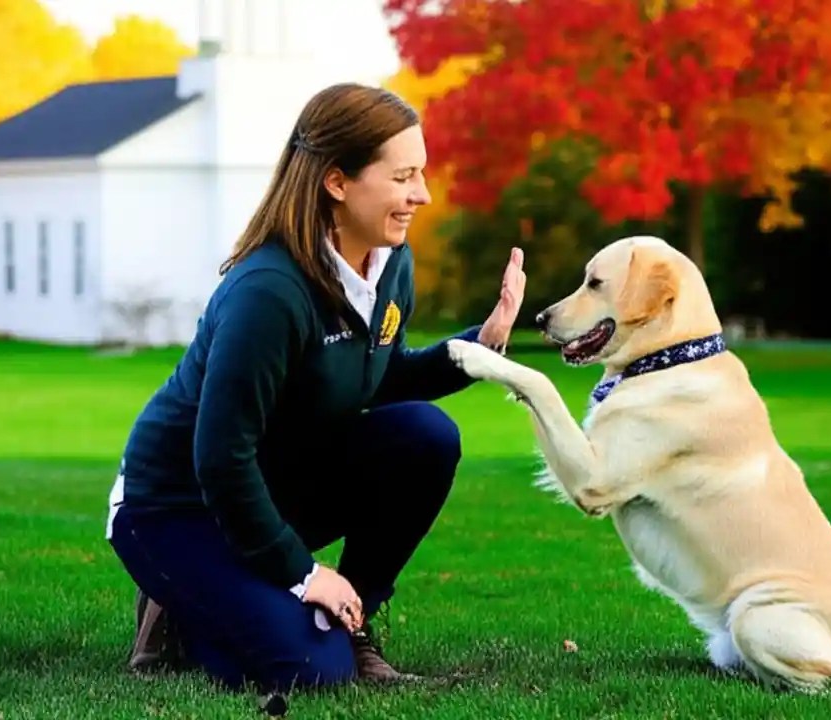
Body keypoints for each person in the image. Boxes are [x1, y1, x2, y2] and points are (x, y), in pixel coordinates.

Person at [104, 82, 527, 692]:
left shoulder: (389, 264)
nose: (423, 195)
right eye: (404, 176)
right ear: (337, 182)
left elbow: (377, 376)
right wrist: (304, 574)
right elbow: (220, 460)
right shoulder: (269, 293)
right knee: (308, 669)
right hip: (175, 505)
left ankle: (350, 621)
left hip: (265, 484)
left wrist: (479, 347)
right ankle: (177, 605)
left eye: (422, 174)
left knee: (424, 436)